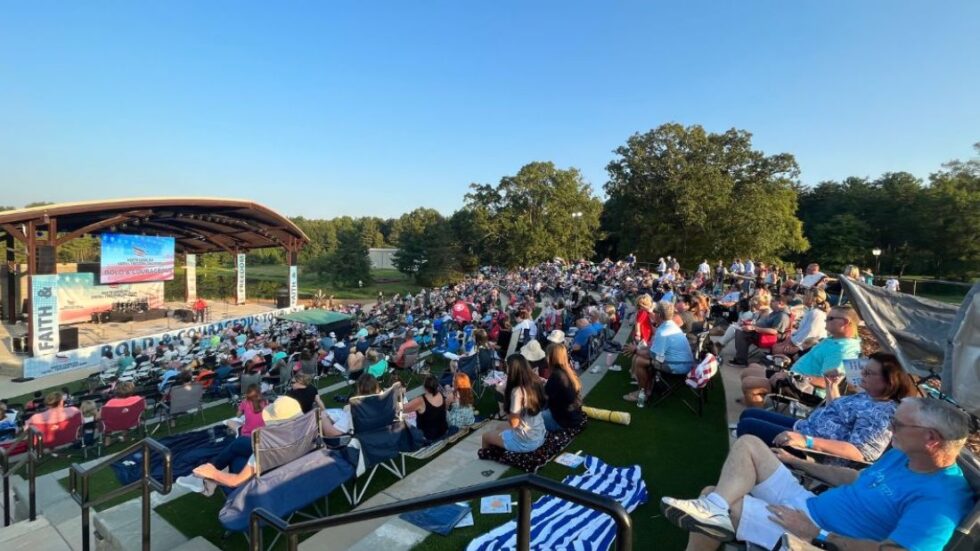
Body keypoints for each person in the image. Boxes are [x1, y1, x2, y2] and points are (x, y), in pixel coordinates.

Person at [661, 397, 975, 551]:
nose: (890, 428)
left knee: (712, 493)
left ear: (930, 438)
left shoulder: (940, 501)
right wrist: (797, 463)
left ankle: (715, 506)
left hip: (815, 536)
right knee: (749, 444)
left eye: (898, 425)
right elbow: (857, 479)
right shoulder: (901, 456)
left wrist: (817, 534)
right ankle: (715, 508)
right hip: (808, 504)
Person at [736, 353, 918, 463]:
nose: (862, 374)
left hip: (813, 450)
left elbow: (860, 453)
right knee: (749, 413)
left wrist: (807, 441)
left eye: (869, 372)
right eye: (864, 369)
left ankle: (750, 468)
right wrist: (831, 385)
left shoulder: (882, 413)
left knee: (748, 425)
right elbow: (837, 412)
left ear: (890, 381)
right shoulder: (870, 395)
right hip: (807, 428)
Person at [740, 305, 862, 408]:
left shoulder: (843, 350)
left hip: (808, 390)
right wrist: (790, 362)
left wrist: (790, 375)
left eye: (830, 318)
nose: (825, 321)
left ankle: (756, 417)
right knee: (750, 369)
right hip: (796, 379)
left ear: (845, 322)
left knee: (749, 383)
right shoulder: (834, 339)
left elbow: (827, 383)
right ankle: (755, 404)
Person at [624, 301, 695, 403]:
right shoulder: (670, 325)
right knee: (642, 354)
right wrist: (640, 350)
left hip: (677, 366)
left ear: (659, 315)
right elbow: (654, 350)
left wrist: (635, 350)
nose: (653, 313)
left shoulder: (663, 332)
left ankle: (643, 394)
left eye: (655, 311)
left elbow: (652, 355)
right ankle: (648, 388)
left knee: (640, 361)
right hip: (684, 363)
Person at [482, 354, 546, 453]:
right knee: (498, 427)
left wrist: (504, 398)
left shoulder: (517, 391)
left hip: (526, 441)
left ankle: (485, 457)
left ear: (511, 369)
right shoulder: (535, 381)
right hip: (539, 433)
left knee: (485, 437)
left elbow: (514, 423)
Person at [731, 294, 791, 366]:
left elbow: (774, 331)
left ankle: (741, 360)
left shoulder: (783, 316)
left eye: (773, 301)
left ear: (780, 303)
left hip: (766, 336)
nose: (770, 303)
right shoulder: (776, 312)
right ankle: (741, 357)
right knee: (741, 329)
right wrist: (751, 325)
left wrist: (754, 328)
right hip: (760, 332)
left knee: (741, 333)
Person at [771, 288, 829, 357]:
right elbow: (802, 331)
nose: (803, 297)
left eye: (806, 295)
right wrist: (790, 338)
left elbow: (809, 335)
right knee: (775, 346)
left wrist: (792, 343)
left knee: (776, 349)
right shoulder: (813, 311)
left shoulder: (816, 313)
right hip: (802, 342)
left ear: (812, 299)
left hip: (807, 347)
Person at [542, 344, 585, 431]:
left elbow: (544, 399)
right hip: (574, 418)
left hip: (563, 422)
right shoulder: (568, 372)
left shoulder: (556, 376)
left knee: (531, 415)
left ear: (551, 358)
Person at [403, 375, 449, 443]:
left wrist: (397, 395)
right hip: (443, 432)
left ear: (424, 387)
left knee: (403, 423)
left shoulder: (420, 401)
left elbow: (402, 409)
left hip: (428, 437)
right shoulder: (440, 394)